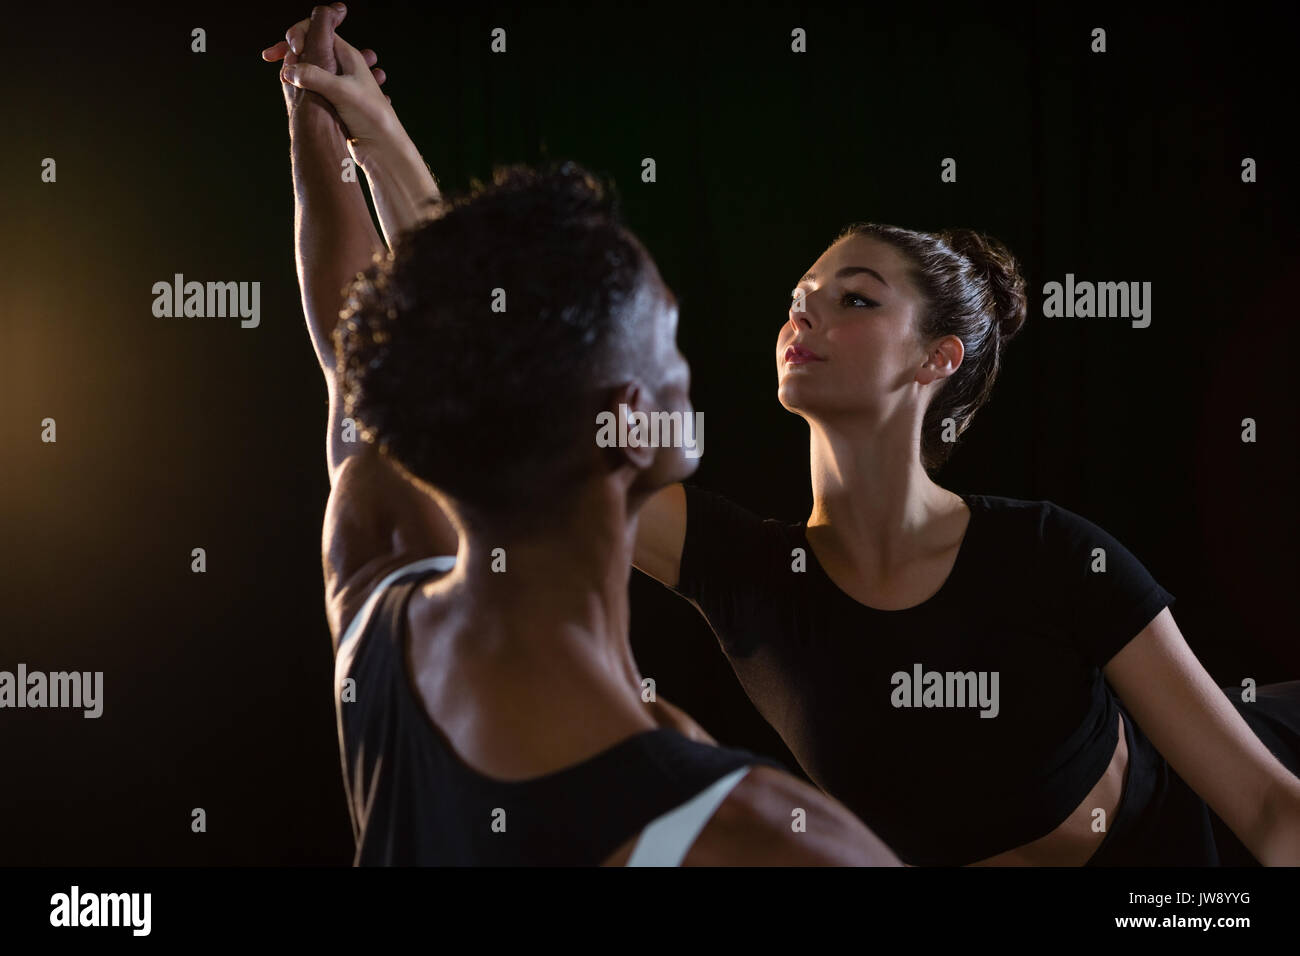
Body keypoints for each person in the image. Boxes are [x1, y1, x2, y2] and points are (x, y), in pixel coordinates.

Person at [263, 4, 900, 866]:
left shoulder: (378, 589)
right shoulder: (762, 842)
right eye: (671, 332)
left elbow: (359, 342)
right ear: (630, 420)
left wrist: (326, 116)